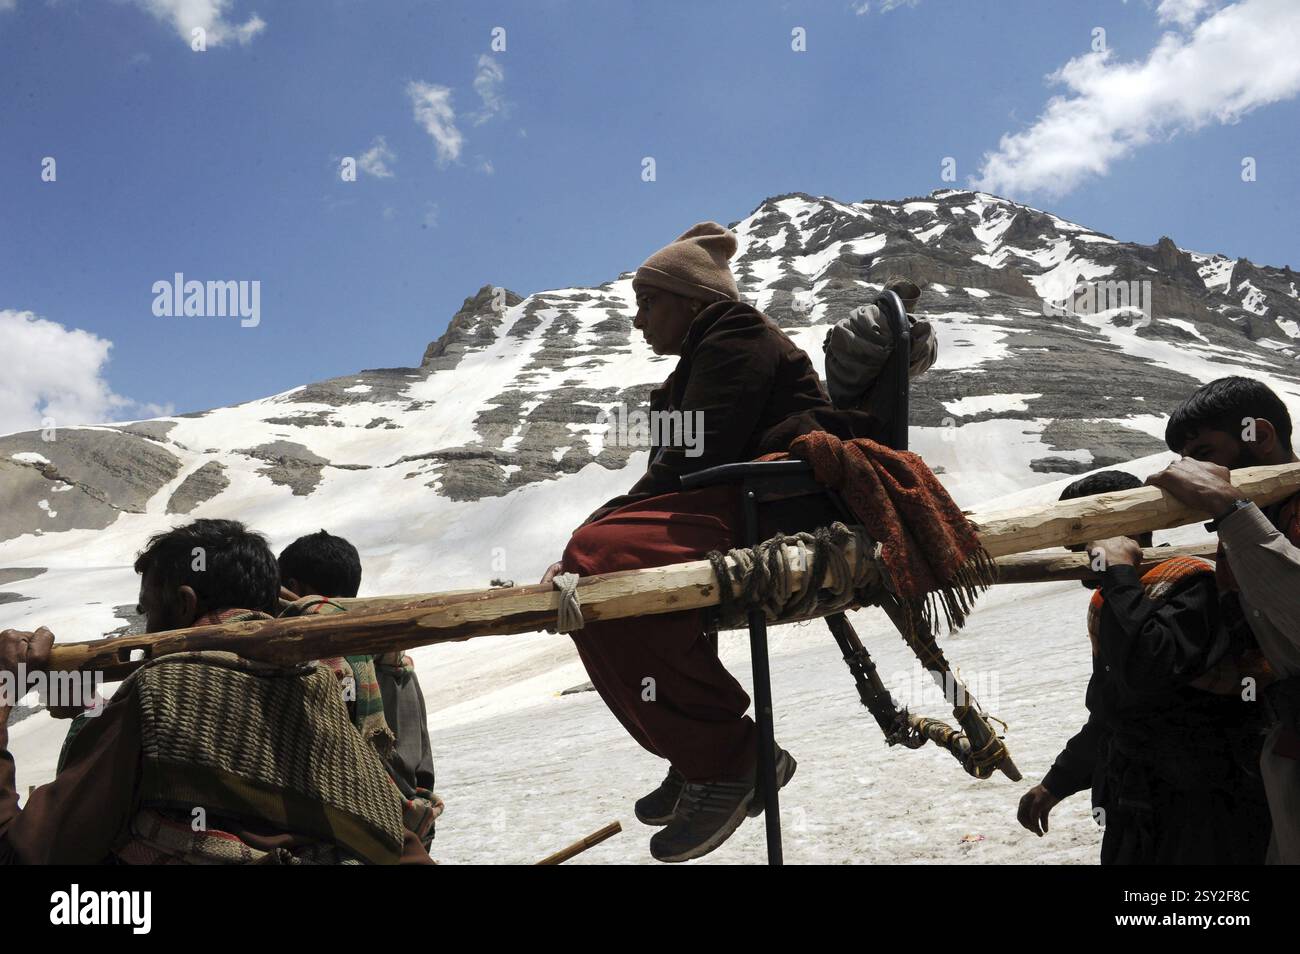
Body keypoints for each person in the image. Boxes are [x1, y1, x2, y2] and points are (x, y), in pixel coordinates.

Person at [539, 221, 889, 862]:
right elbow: (674, 468)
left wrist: (591, 537)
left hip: (775, 505)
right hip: (739, 499)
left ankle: (724, 756)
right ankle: (699, 746)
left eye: (650, 302)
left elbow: (694, 457)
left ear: (692, 301)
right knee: (588, 565)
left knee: (598, 562)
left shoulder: (735, 335)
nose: (639, 320)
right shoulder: (703, 354)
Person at [0, 519, 432, 864]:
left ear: (185, 604)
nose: (147, 628)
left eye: (149, 610)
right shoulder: (317, 681)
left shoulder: (162, 689)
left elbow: (27, 850)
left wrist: (4, 689)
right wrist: (92, 712)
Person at [1017, 471, 1270, 863]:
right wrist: (1056, 783)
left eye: (1081, 535)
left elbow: (1148, 671)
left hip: (1200, 808)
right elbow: (1113, 712)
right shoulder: (1120, 597)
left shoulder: (1190, 584)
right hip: (1135, 800)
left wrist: (1118, 575)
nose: (1074, 551)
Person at [1143, 375, 1300, 863]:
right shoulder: (1255, 523)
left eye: (1205, 451)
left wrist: (1229, 506)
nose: (1193, 469)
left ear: (1261, 436)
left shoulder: (1249, 517)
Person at [278, 529, 441, 847]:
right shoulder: (395, 655)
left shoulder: (319, 659)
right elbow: (420, 765)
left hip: (365, 832)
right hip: (413, 827)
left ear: (293, 587)